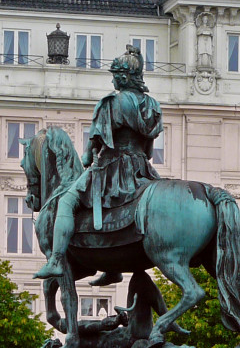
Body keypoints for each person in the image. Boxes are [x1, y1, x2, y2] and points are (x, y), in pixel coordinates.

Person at [34, 46, 162, 281]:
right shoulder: (153, 105)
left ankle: (56, 260)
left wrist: (85, 159)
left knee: (66, 202)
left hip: (111, 167)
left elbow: (96, 143)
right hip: (142, 169)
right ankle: (111, 268)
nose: (112, 79)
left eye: (114, 74)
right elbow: (149, 149)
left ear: (123, 77)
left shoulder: (111, 102)